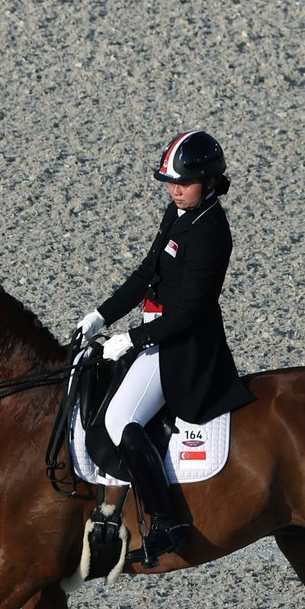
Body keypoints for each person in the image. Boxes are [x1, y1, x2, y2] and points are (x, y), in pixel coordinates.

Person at [73, 129, 255, 567]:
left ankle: (167, 521)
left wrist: (132, 339)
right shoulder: (178, 212)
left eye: (184, 182)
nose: (175, 189)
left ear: (208, 182)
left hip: (183, 345)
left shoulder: (210, 230)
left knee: (121, 418)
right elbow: (146, 273)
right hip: (156, 332)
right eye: (171, 182)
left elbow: (190, 310)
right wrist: (101, 315)